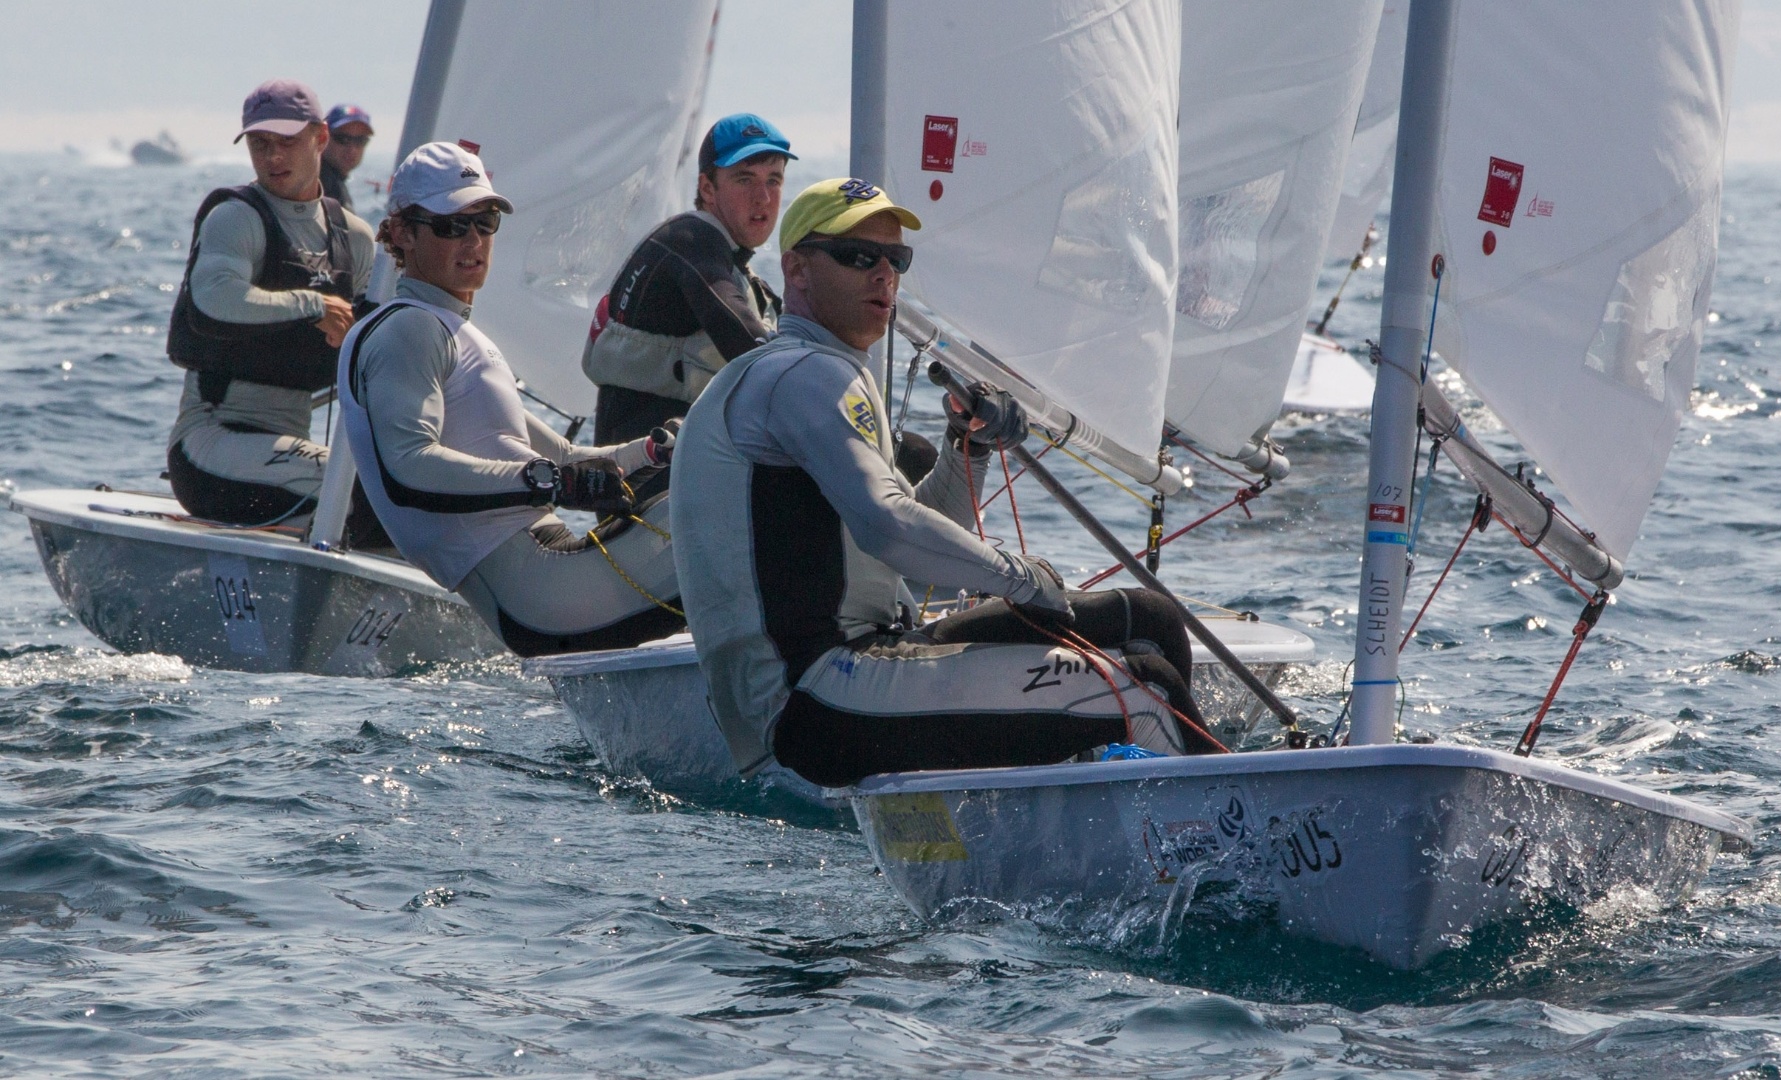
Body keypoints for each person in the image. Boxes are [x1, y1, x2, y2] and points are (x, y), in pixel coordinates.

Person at [671, 178, 1207, 789]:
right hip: (815, 702)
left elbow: (910, 554)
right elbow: (888, 527)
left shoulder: (807, 373)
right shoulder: (804, 374)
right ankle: (1233, 823)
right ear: (796, 269)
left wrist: (966, 446)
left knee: (1149, 619)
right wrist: (1021, 577)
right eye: (857, 256)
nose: (883, 274)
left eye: (895, 259)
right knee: (1146, 689)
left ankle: (1159, 794)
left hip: (855, 674)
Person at [337, 142, 685, 657]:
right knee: (746, 504)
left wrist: (656, 451)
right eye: (452, 225)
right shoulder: (408, 330)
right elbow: (408, 467)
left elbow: (564, 458)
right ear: (404, 233)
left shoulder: (450, 331)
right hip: (547, 596)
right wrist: (550, 481)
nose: (474, 240)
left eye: (485, 222)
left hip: (557, 580)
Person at [164, 79, 384, 544]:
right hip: (211, 446)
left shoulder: (356, 239)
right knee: (370, 493)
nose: (272, 157)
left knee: (402, 493)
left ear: (320, 138)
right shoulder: (235, 218)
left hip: (289, 449)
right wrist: (313, 305)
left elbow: (382, 348)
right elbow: (215, 299)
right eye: (260, 144)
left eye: (286, 142)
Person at [582, 113, 791, 463]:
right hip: (647, 484)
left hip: (687, 468)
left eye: (774, 180)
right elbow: (749, 346)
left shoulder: (742, 273)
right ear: (707, 188)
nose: (764, 197)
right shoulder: (690, 242)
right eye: (745, 179)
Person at [319, 104, 374, 212]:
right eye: (343, 139)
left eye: (360, 140)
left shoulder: (335, 182)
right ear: (323, 137)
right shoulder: (319, 184)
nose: (352, 149)